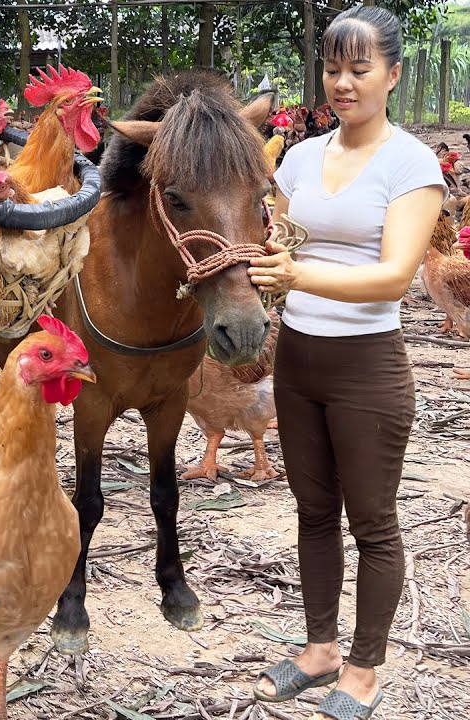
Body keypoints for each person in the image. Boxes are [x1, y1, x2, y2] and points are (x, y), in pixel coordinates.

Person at [247, 6, 444, 720]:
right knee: (312, 513)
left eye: (359, 68)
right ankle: (320, 648)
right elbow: (282, 244)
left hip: (367, 366)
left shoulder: (411, 163)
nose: (343, 82)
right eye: (333, 68)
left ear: (392, 74)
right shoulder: (298, 159)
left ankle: (363, 668)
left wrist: (294, 278)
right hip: (298, 357)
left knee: (373, 521)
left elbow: (394, 276)